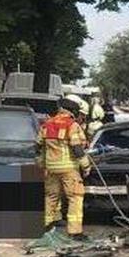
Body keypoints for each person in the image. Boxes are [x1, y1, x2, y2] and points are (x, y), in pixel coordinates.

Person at [37, 95, 90, 241]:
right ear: (73, 111)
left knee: (51, 197)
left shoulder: (47, 124)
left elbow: (38, 146)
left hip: (51, 168)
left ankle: (46, 226)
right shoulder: (72, 125)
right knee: (75, 197)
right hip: (69, 168)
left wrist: (43, 164)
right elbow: (77, 148)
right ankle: (74, 232)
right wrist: (86, 166)